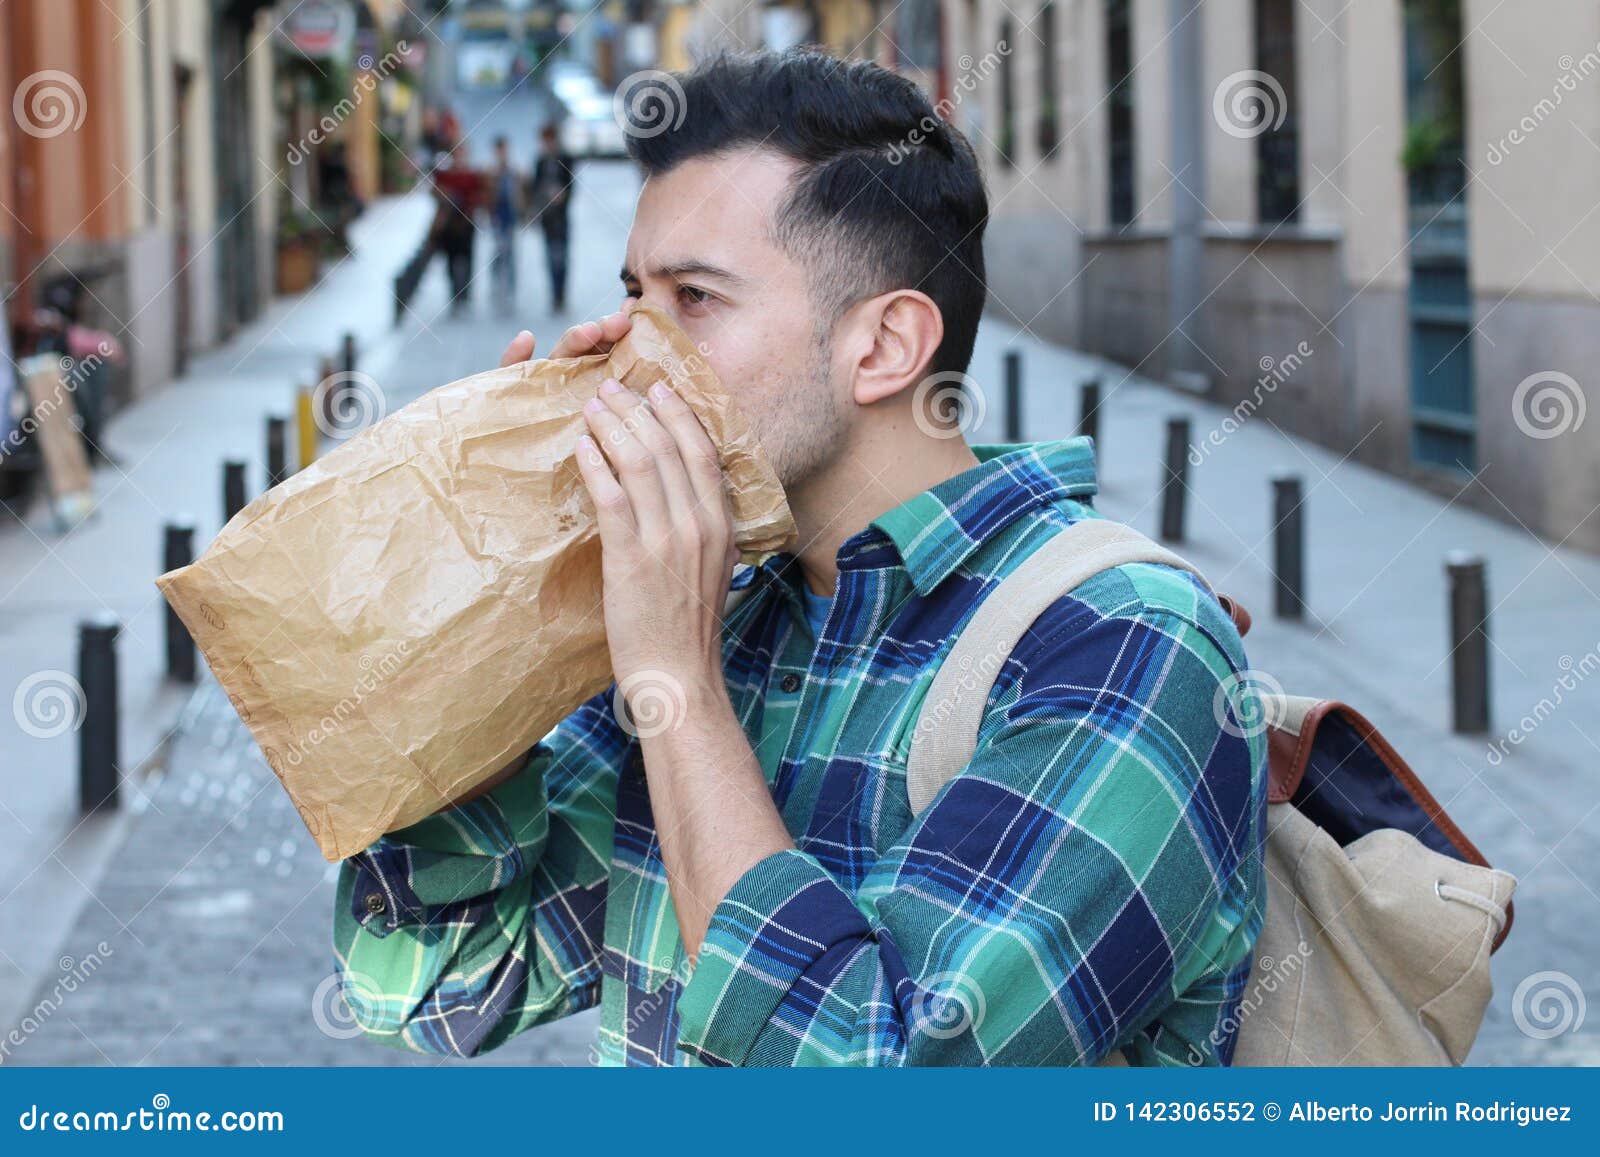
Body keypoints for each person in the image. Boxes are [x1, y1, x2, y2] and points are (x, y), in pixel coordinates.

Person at [332, 50, 1266, 1067]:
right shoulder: (729, 611)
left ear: (882, 346)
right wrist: (517, 621)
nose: (621, 351)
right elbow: (436, 979)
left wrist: (677, 686)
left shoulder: (1123, 645)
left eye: (691, 299)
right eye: (630, 295)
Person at [429, 142, 482, 315]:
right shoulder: (446, 175)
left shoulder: (472, 175)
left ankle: (465, 293)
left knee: (467, 260)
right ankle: (454, 294)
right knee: (451, 260)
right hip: (450, 227)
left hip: (466, 224)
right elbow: (434, 190)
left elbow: (479, 195)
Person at [528, 123, 575, 312]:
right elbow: (535, 187)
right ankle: (554, 294)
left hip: (561, 217)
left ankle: (561, 294)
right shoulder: (540, 161)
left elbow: (571, 187)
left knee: (561, 257)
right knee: (550, 257)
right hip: (547, 217)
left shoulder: (565, 158)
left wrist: (561, 195)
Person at [488, 136, 523, 306]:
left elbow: (519, 194)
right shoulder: (491, 172)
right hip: (497, 218)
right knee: (497, 253)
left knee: (510, 254)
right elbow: (487, 196)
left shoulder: (513, 171)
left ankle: (509, 289)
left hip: (510, 218)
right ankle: (496, 286)